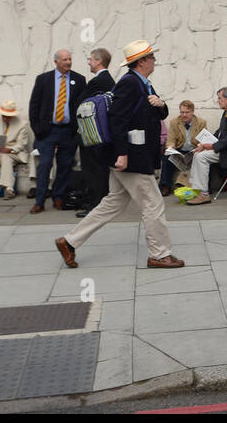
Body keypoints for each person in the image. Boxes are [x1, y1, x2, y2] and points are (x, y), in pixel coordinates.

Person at [54, 40, 185, 270]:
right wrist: (122, 154)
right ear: (142, 62)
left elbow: (158, 113)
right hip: (132, 158)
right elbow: (117, 119)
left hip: (132, 156)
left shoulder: (143, 83)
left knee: (112, 203)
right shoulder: (130, 83)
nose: (154, 60)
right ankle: (160, 254)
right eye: (151, 57)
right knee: (153, 205)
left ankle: (69, 241)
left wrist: (161, 104)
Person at [29, 49, 88, 214]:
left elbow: (82, 105)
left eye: (70, 59)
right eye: (64, 59)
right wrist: (37, 129)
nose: (68, 62)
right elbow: (34, 106)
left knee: (65, 166)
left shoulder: (79, 79)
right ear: (56, 62)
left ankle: (58, 197)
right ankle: (39, 201)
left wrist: (76, 128)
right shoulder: (43, 79)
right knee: (45, 165)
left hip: (68, 132)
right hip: (47, 131)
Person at [185, 87, 227, 205]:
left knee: (201, 157)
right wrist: (204, 142)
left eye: (220, 98)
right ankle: (198, 190)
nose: (218, 101)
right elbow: (220, 132)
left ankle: (204, 194)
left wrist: (212, 146)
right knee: (198, 154)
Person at [76, 48, 115, 216]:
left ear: (99, 61)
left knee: (94, 170)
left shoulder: (98, 82)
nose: (89, 62)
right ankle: (99, 203)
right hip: (101, 134)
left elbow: (79, 104)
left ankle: (96, 205)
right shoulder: (108, 80)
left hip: (93, 135)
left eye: (90, 59)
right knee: (99, 169)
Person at [161, 100, 206, 194]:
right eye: (182, 112)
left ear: (192, 112)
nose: (184, 115)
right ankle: (165, 186)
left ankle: (204, 187)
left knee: (203, 157)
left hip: (194, 150)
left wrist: (200, 146)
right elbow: (171, 140)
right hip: (180, 150)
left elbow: (204, 140)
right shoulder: (174, 122)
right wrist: (171, 147)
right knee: (166, 157)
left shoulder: (201, 122)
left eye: (187, 112)